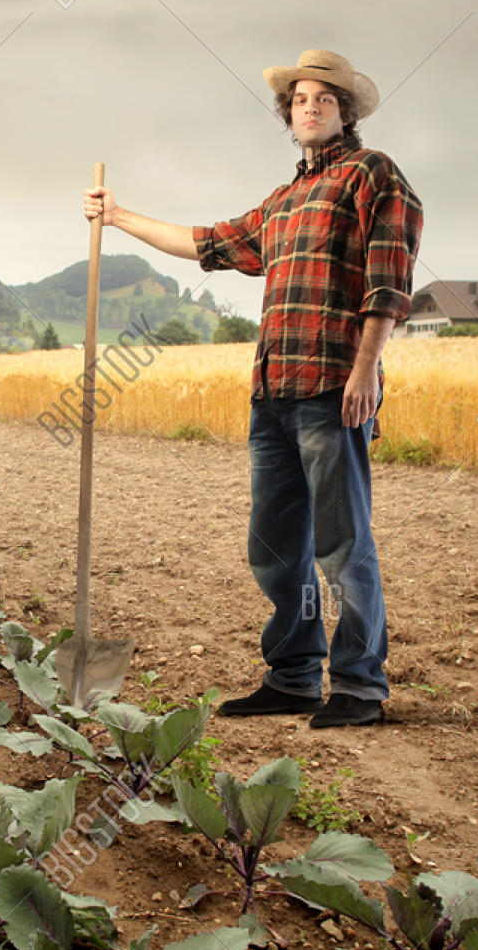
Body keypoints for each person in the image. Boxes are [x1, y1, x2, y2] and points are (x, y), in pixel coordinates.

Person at [82, 49, 421, 728]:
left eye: (325, 97)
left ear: (345, 110)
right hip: (272, 393)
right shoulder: (285, 201)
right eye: (299, 98)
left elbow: (389, 283)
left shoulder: (373, 175)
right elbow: (205, 241)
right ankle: (294, 675)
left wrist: (366, 369)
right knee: (273, 544)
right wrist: (119, 217)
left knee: (342, 541)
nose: (311, 106)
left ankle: (359, 685)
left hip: (332, 386)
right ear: (288, 112)